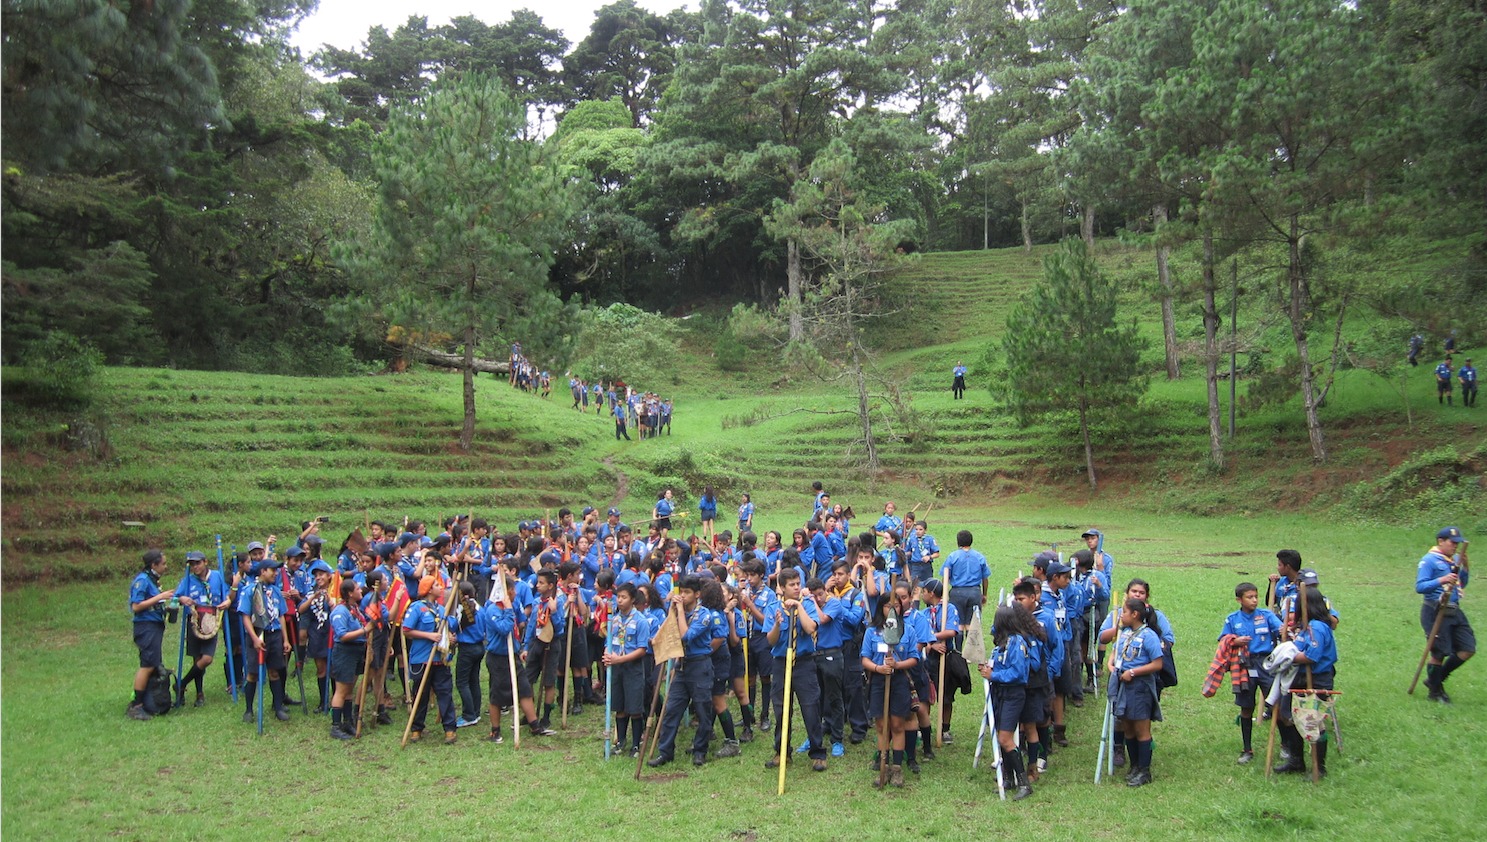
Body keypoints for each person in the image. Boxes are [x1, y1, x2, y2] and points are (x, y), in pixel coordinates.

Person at [648, 575, 717, 768]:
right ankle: (665, 751)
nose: (683, 597)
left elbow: (686, 636)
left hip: (700, 665)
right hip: (682, 666)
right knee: (671, 710)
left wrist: (678, 610)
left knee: (703, 710)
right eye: (681, 592)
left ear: (697, 594)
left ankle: (700, 750)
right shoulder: (675, 612)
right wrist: (673, 611)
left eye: (687, 593)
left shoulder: (704, 615)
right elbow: (665, 633)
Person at [765, 568, 827, 772]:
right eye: (791, 584)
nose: (796, 587)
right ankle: (782, 751)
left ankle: (818, 753)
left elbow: (810, 629)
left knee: (810, 708)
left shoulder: (808, 604)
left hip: (804, 663)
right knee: (782, 710)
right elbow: (771, 641)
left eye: (798, 583)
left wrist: (799, 606)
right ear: (782, 588)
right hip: (781, 662)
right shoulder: (773, 607)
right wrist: (776, 624)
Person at [1271, 587, 1338, 776]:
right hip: (1298, 677)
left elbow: (1311, 656)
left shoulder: (1317, 627)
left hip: (1316, 678)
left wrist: (1286, 656)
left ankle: (1319, 767)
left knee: (1313, 721)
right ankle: (1296, 760)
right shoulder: (1305, 627)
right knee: (1288, 716)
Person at [1215, 582, 1281, 764]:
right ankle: (1247, 749)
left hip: (1266, 663)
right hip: (1244, 664)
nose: (1254, 600)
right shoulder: (1232, 619)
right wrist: (1235, 641)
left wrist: (1285, 629)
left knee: (1277, 704)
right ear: (1239, 599)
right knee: (1246, 707)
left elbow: (1281, 629)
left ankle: (1286, 747)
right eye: (1249, 597)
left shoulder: (1266, 615)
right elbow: (1223, 640)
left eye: (1255, 596)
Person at [862, 584, 920, 788]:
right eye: (888, 606)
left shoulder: (908, 631)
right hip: (879, 681)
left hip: (899, 681)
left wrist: (897, 665)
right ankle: (882, 767)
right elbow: (865, 659)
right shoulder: (872, 632)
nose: (892, 610)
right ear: (881, 608)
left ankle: (896, 768)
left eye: (896, 605)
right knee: (881, 725)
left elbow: (914, 658)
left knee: (897, 724)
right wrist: (879, 669)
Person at [979, 603, 1036, 800]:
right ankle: (1008, 778)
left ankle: (1024, 783)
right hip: (999, 694)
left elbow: (1018, 673)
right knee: (998, 737)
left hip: (1013, 694)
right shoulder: (1001, 644)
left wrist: (994, 675)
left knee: (1005, 738)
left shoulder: (1017, 642)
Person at [1109, 597, 1164, 787]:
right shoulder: (1124, 633)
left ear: (1135, 614)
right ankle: (1134, 766)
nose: (1121, 616)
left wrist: (1133, 672)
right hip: (1123, 685)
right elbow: (1116, 654)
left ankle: (1144, 770)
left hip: (1140, 687)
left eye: (1124, 612)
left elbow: (1157, 664)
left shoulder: (1148, 636)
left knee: (1141, 729)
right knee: (1128, 727)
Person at [1417, 526, 1472, 704]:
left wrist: (1465, 566)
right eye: (1452, 543)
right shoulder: (1429, 560)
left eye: (1457, 544)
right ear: (1440, 541)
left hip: (1454, 609)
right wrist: (1442, 579)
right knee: (1439, 652)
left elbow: (1462, 583)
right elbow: (1420, 587)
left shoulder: (1454, 560)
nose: (1455, 547)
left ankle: (1436, 679)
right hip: (1435, 610)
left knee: (1468, 648)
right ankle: (1435, 692)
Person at [238, 554, 293, 723]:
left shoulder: (276, 592)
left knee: (275, 671)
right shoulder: (250, 590)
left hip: (274, 634)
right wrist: (254, 638)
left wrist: (285, 640)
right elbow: (245, 616)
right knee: (253, 673)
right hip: (258, 634)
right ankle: (248, 710)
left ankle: (277, 706)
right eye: (272, 571)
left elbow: (281, 616)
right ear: (263, 571)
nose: (276, 574)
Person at [403, 575, 458, 744]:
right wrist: (428, 635)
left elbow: (446, 629)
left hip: (439, 659)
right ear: (428, 589)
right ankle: (416, 728)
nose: (439, 587)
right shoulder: (417, 608)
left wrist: (449, 638)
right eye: (435, 584)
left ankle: (449, 728)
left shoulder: (442, 609)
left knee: (445, 693)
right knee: (420, 694)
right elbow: (406, 630)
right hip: (422, 658)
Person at [175, 550, 229, 708]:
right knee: (197, 659)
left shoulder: (218, 576)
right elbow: (175, 596)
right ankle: (199, 693)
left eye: (197, 563)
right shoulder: (188, 580)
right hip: (194, 621)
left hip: (211, 621)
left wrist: (227, 602)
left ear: (205, 562)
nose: (195, 567)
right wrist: (181, 598)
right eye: (192, 564)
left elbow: (227, 595)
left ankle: (182, 683)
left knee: (207, 658)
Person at [604, 582, 652, 756]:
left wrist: (619, 659)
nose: (620, 601)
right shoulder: (614, 620)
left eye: (624, 597)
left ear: (632, 599)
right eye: (618, 597)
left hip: (633, 668)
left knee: (634, 707)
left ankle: (635, 745)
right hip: (617, 668)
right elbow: (608, 642)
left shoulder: (640, 621)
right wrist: (607, 654)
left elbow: (641, 650)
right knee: (620, 706)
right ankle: (621, 742)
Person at [127, 549, 176, 720]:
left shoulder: (152, 581)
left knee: (153, 663)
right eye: (163, 563)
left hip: (155, 625)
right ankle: (136, 705)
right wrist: (160, 597)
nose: (165, 566)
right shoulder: (142, 581)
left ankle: (150, 702)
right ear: (154, 564)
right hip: (146, 627)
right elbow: (136, 606)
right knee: (147, 665)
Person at [327, 579, 370, 739]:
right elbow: (342, 635)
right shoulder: (340, 611)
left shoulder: (354, 608)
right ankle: (336, 726)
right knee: (341, 689)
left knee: (350, 688)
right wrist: (365, 630)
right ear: (350, 593)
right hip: (345, 652)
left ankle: (347, 721)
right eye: (358, 589)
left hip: (356, 651)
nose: (360, 591)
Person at [940, 530, 990, 637]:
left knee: (958, 623)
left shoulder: (953, 556)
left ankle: (958, 650)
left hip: (957, 592)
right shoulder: (979, 557)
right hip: (974, 592)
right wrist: (984, 594)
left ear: (958, 542)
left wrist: (943, 595)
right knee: (971, 624)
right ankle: (970, 651)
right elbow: (985, 578)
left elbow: (945, 577)